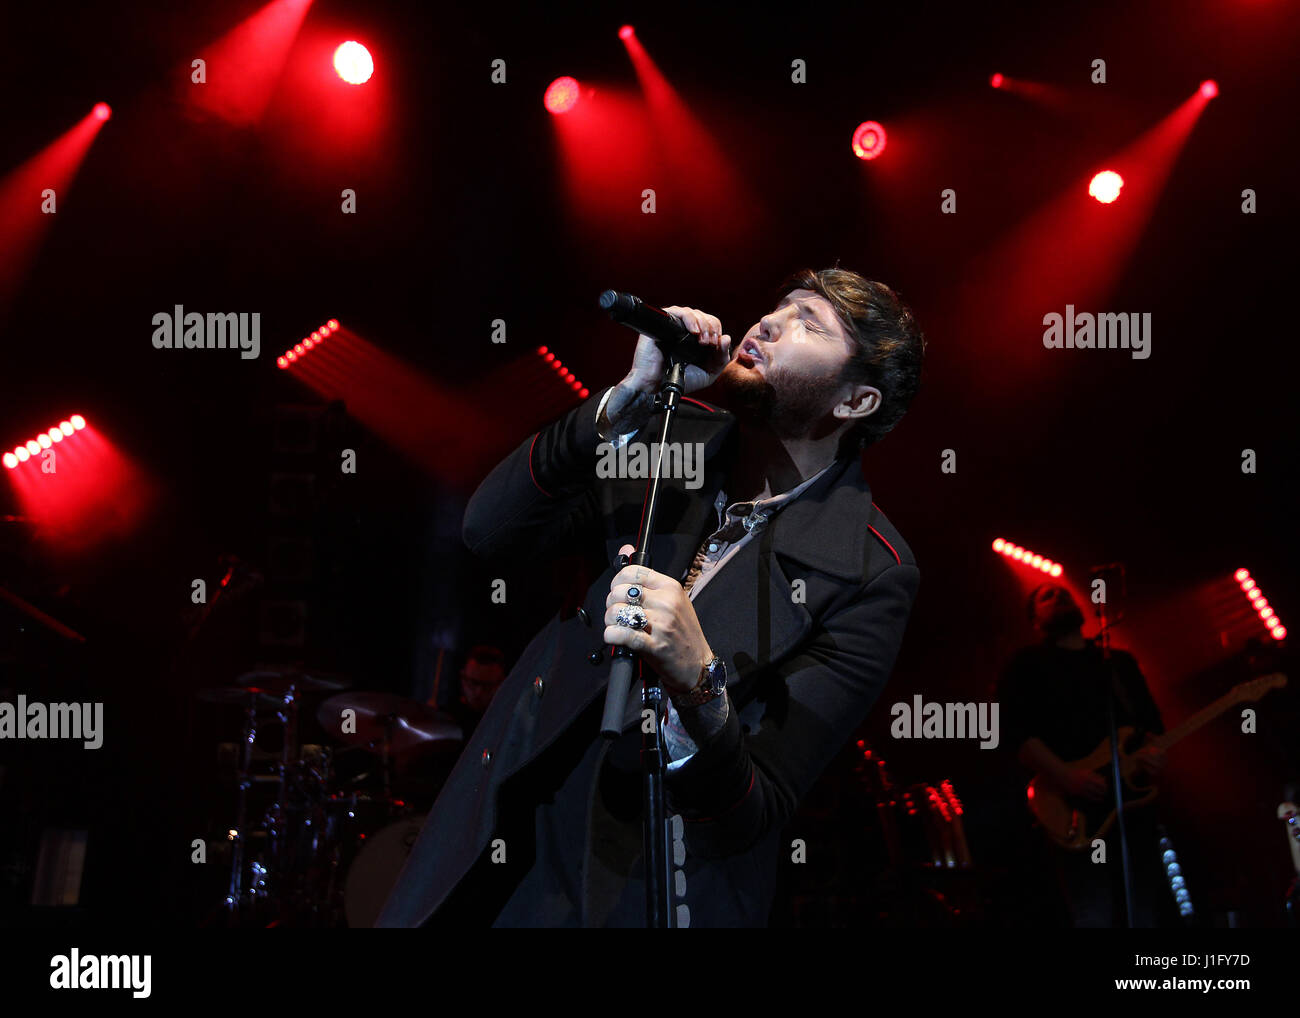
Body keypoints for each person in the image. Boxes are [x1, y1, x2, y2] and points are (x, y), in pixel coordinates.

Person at [376, 267, 926, 927]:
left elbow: (752, 809)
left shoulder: (868, 570)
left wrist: (701, 686)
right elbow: (489, 531)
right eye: (780, 306)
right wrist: (629, 399)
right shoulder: (673, 437)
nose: (771, 323)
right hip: (508, 838)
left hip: (644, 887)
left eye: (810, 322)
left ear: (856, 402)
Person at [998, 581, 1176, 927]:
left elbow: (1151, 727)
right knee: (1092, 913)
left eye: (1062, 592)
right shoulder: (1027, 664)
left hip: (1133, 808)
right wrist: (1066, 776)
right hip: (1072, 810)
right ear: (1035, 619)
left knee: (1145, 910)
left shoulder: (1117, 663)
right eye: (1046, 597)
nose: (1059, 596)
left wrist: (1155, 755)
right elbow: (1015, 732)